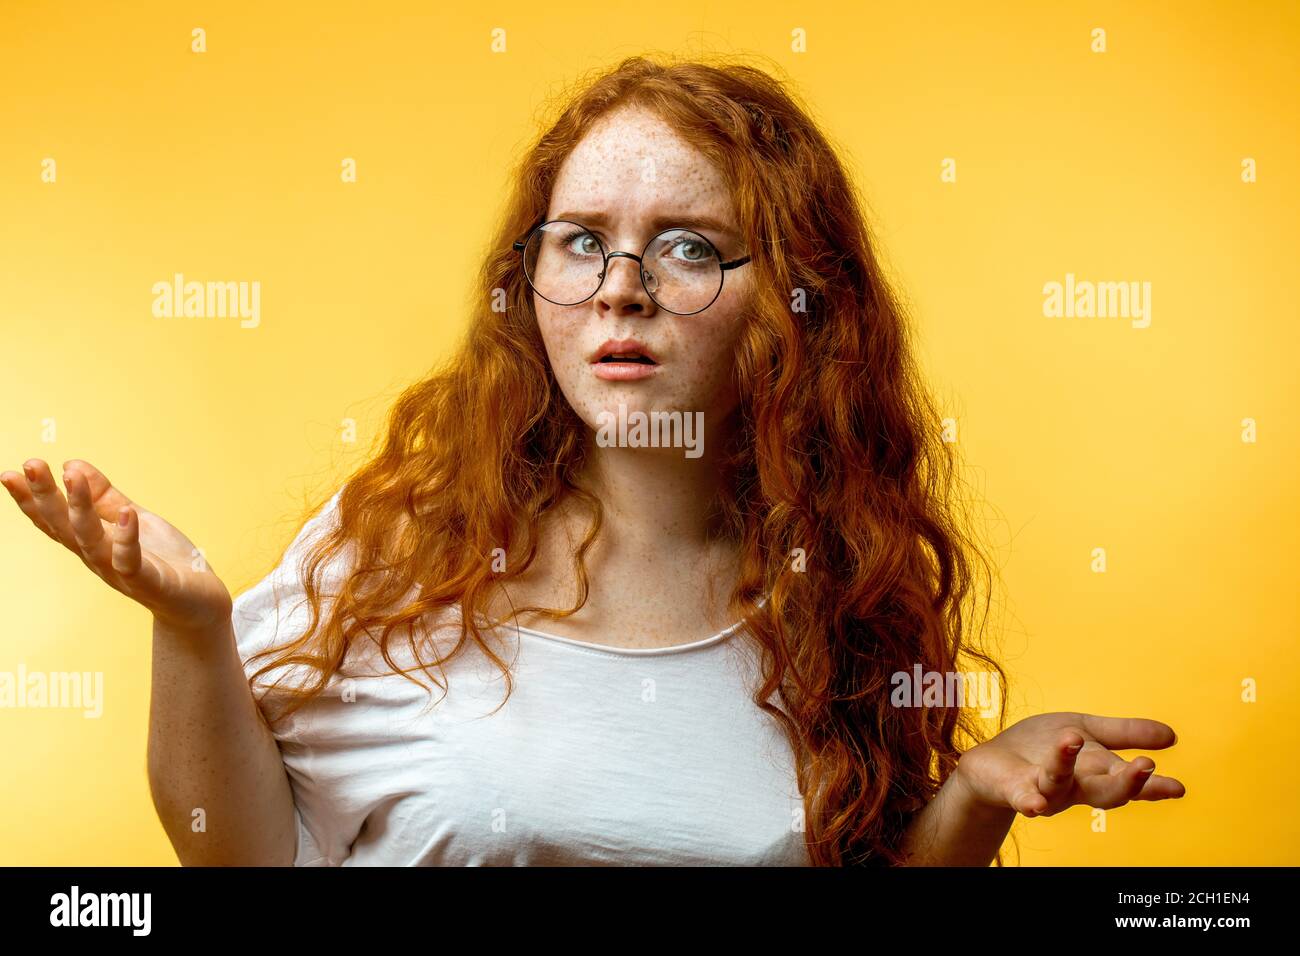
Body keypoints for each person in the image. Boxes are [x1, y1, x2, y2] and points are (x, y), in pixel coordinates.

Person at [1, 54, 1184, 867]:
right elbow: (243, 851)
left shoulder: (837, 590)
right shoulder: (401, 551)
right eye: (582, 241)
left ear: (794, 300)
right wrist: (193, 626)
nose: (621, 285)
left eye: (688, 246)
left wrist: (973, 796)